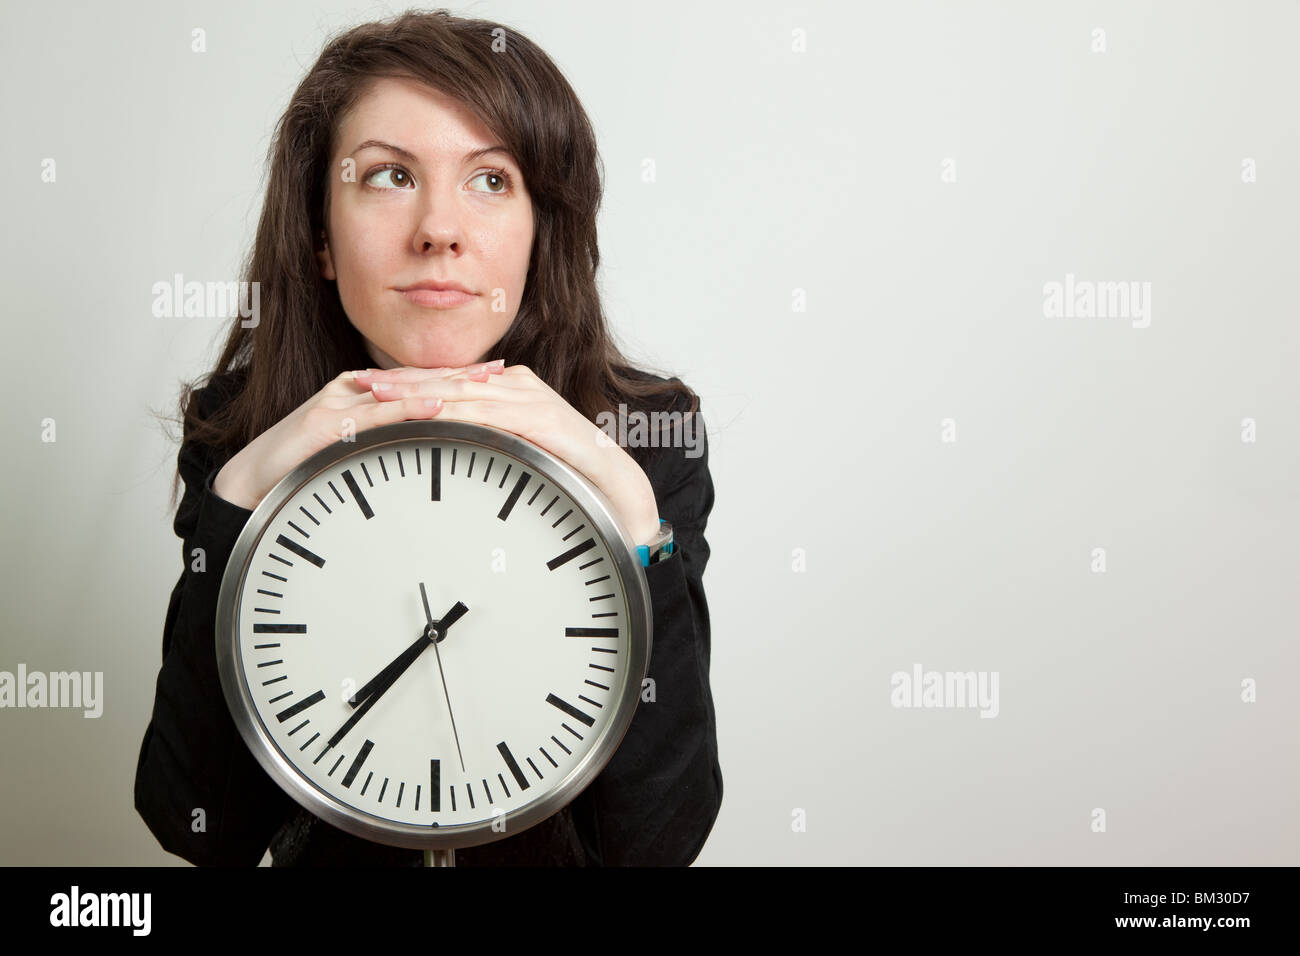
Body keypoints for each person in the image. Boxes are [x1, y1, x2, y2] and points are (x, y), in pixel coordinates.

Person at [134, 10, 722, 866]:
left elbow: (655, 844)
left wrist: (629, 506)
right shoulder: (242, 431)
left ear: (539, 230)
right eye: (387, 176)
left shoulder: (648, 437)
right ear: (320, 236)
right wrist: (237, 498)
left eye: (491, 181)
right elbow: (201, 828)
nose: (439, 230)